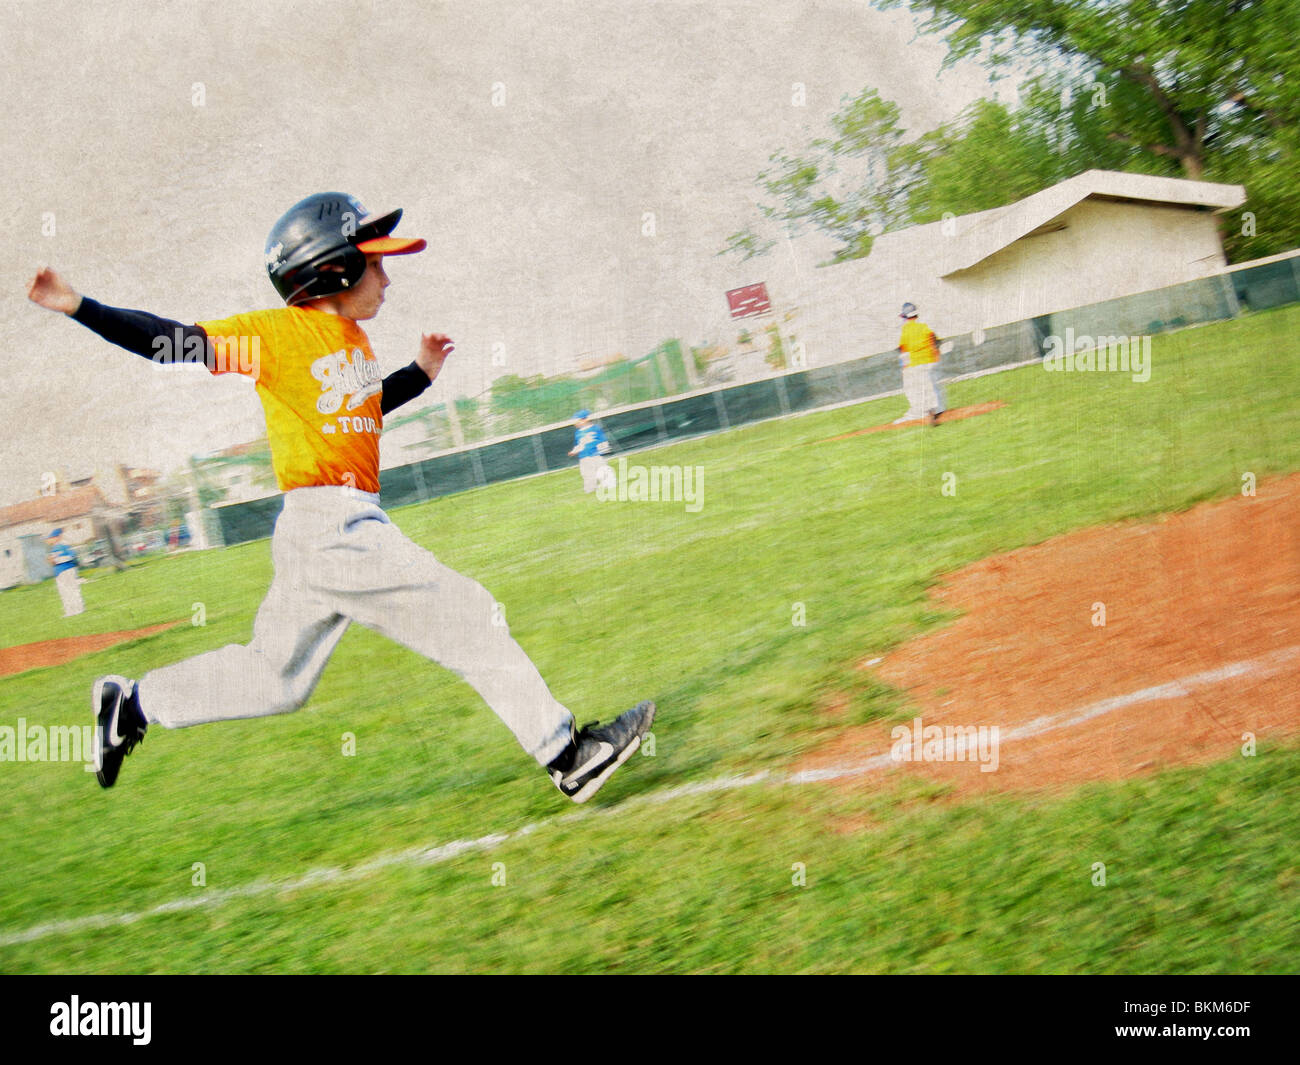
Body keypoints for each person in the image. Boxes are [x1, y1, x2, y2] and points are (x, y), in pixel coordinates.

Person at [27, 191, 653, 802]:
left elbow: (364, 406)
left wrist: (419, 375)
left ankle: (133, 704)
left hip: (323, 530)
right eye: (375, 262)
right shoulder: (276, 335)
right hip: (330, 523)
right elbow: (173, 341)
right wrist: (80, 306)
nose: (386, 277)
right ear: (334, 269)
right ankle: (568, 755)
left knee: (276, 678)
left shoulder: (353, 341)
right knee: (469, 615)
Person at [893, 302, 947, 426]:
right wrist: (936, 355)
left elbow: (903, 349)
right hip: (931, 360)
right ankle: (938, 409)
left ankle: (919, 412)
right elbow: (936, 341)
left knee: (912, 388)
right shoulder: (924, 326)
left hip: (916, 362)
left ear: (905, 317)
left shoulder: (905, 329)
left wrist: (904, 366)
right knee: (933, 385)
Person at [567, 409, 616, 494]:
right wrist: (574, 451)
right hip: (584, 457)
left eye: (577, 421)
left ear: (585, 419)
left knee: (603, 469)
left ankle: (609, 484)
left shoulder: (595, 428)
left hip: (596, 455)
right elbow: (579, 444)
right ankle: (590, 488)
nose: (575, 423)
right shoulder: (578, 433)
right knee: (587, 473)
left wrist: (605, 449)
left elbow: (602, 440)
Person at [45, 529, 85, 617]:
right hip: (61, 572)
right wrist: (52, 560)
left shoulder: (61, 545)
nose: (48, 540)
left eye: (51, 538)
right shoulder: (56, 547)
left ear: (57, 537)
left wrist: (54, 560)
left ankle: (78, 609)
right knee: (65, 592)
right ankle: (70, 611)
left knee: (71, 590)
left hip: (66, 570)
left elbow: (70, 557)